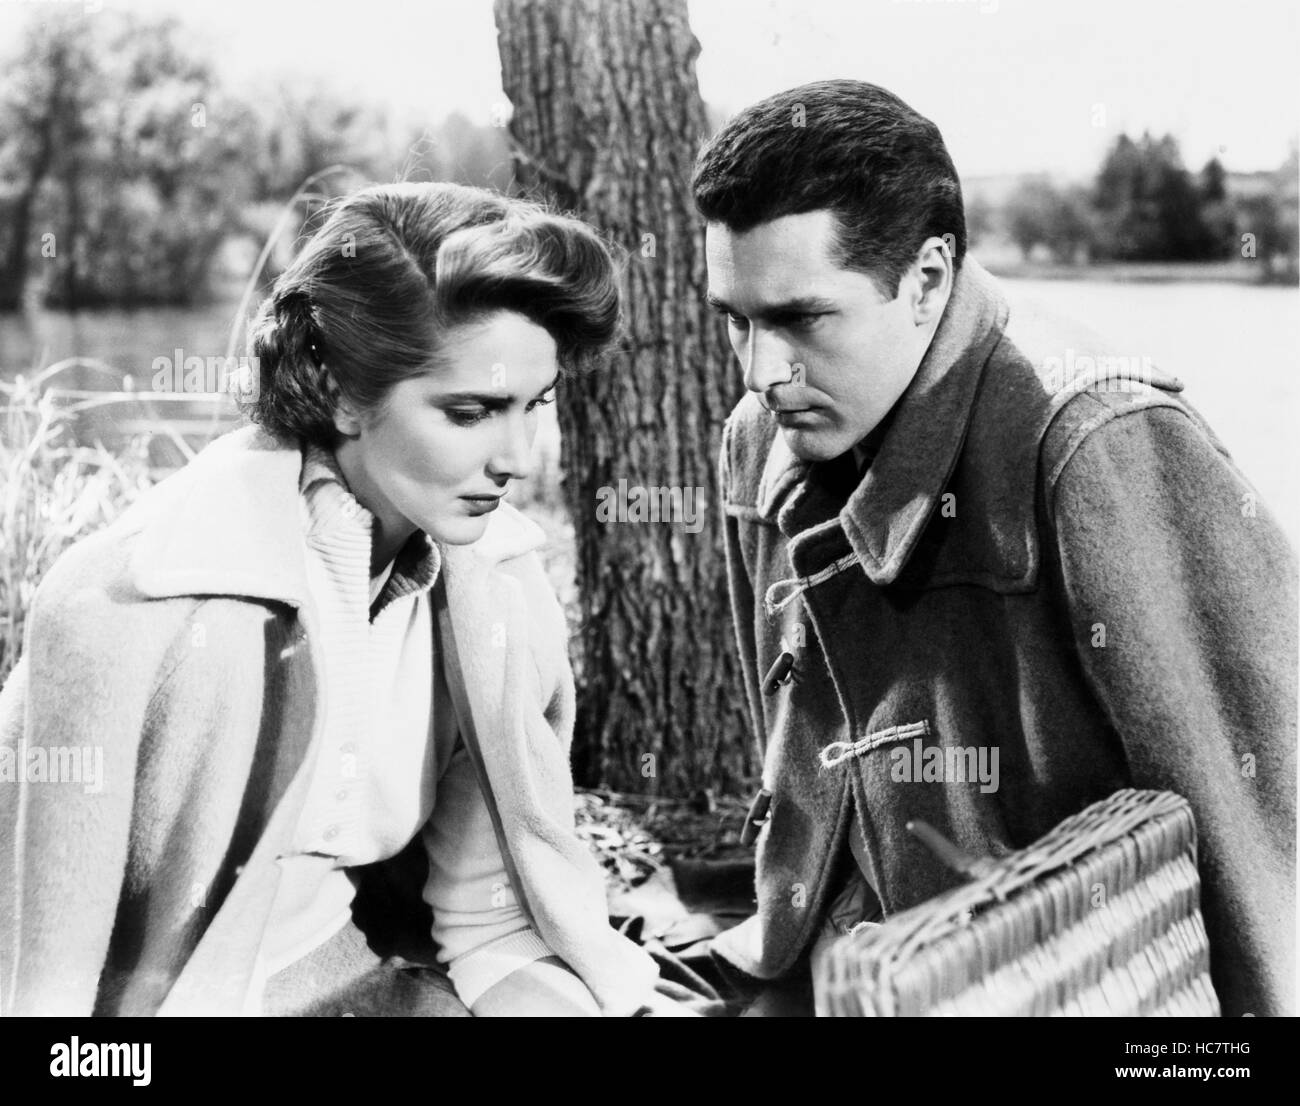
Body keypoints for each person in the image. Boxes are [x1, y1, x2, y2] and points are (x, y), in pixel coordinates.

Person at [691, 80, 1296, 1017]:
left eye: (801, 319)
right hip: (829, 974)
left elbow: (1255, 827)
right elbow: (796, 768)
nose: (761, 373)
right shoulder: (758, 437)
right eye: (736, 319)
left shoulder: (1096, 441)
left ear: (928, 280)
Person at [0, 181, 678, 1017]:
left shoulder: (499, 589)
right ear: (339, 391)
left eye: (536, 406)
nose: (521, 459)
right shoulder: (123, 609)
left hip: (357, 973)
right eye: (471, 412)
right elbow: (44, 997)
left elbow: (489, 920)